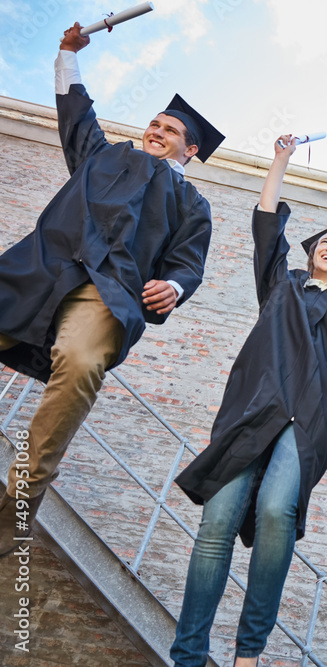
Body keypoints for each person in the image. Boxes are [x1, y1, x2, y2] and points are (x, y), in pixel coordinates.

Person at [170, 136, 327, 667]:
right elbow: (267, 221)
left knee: (277, 511)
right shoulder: (281, 283)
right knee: (216, 524)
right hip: (254, 412)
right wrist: (280, 160)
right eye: (325, 241)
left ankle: (248, 652)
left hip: (308, 423)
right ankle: (188, 654)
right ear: (312, 250)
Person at [0, 23, 222, 556]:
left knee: (78, 364)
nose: (156, 129)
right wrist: (66, 53)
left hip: (107, 293)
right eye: (153, 122)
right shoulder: (101, 156)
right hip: (41, 268)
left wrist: (172, 286)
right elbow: (75, 110)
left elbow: (187, 265)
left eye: (169, 129)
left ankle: (16, 504)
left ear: (189, 149)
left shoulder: (193, 205)